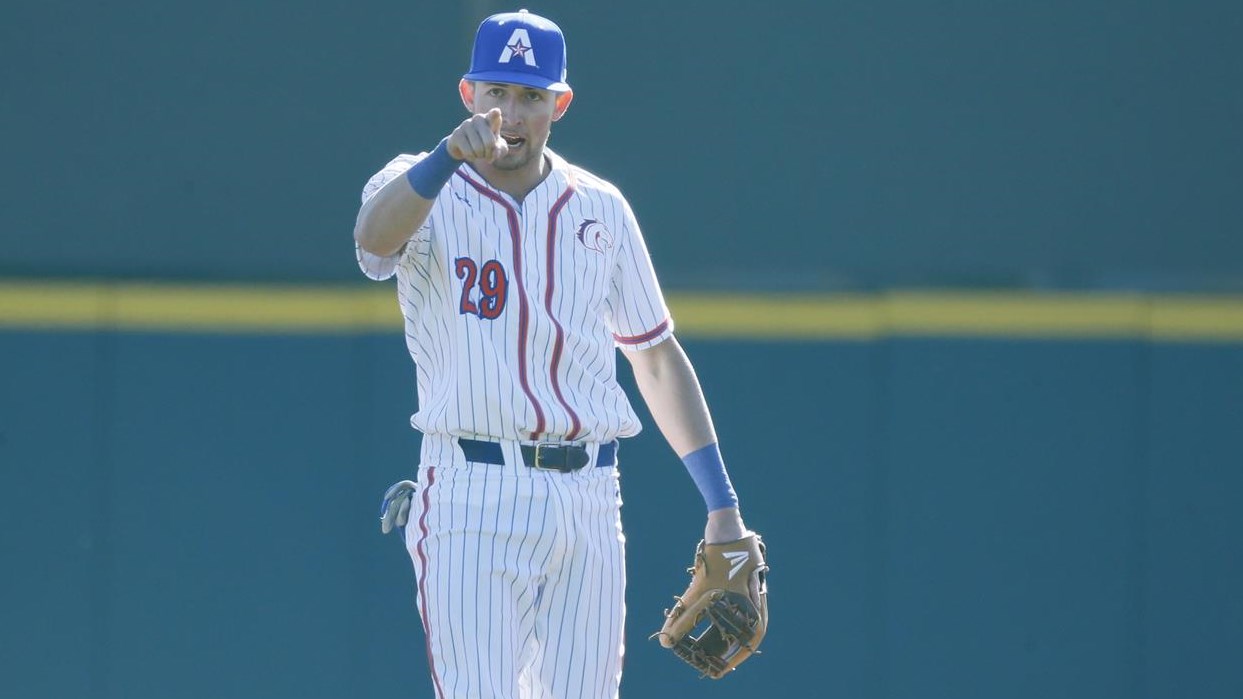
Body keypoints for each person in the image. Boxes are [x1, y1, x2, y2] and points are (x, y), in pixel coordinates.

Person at [355, 10, 757, 699]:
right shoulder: (419, 183)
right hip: (471, 490)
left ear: (559, 104)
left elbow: (655, 357)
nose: (510, 114)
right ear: (468, 93)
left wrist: (723, 506)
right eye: (496, 92)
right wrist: (444, 158)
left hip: (590, 495)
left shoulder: (600, 206)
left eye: (530, 96)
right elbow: (372, 241)